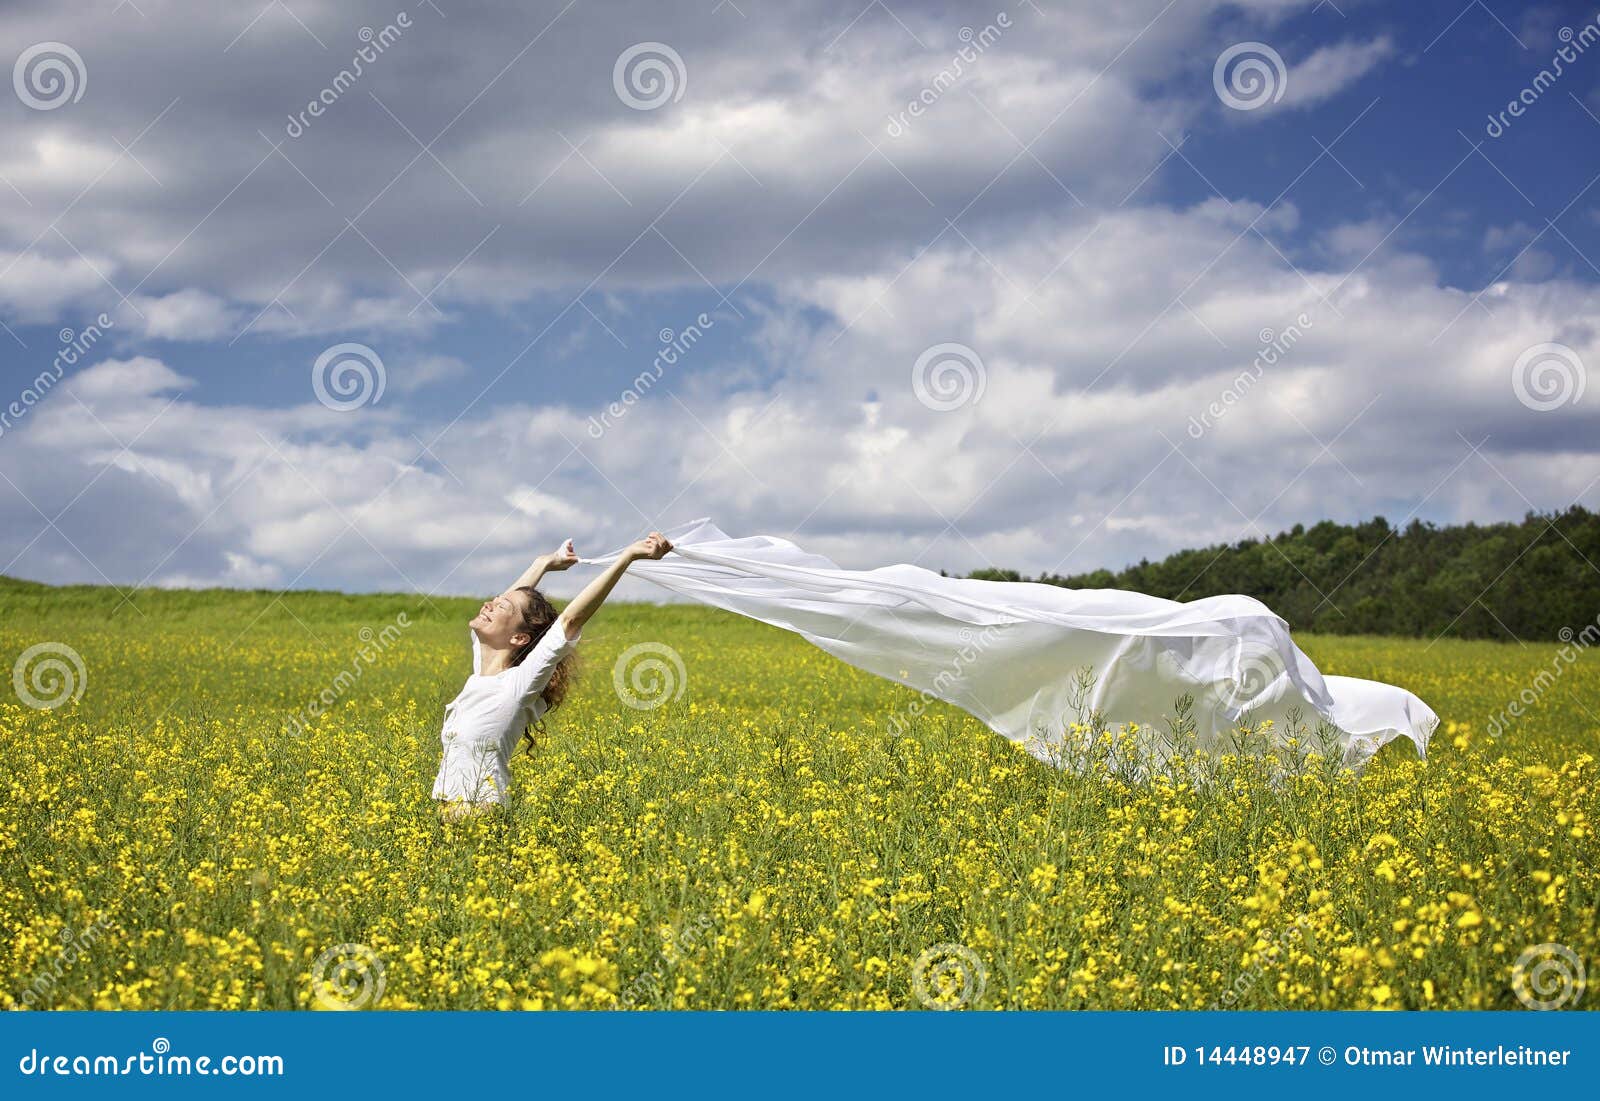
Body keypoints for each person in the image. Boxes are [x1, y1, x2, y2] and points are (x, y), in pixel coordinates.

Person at [432, 530, 673, 820]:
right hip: (449, 822)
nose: (488, 605)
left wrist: (628, 557)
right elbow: (510, 602)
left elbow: (570, 620)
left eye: (500, 608)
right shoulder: (480, 677)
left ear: (520, 638)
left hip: (479, 817)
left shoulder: (516, 686)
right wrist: (543, 563)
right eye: (493, 602)